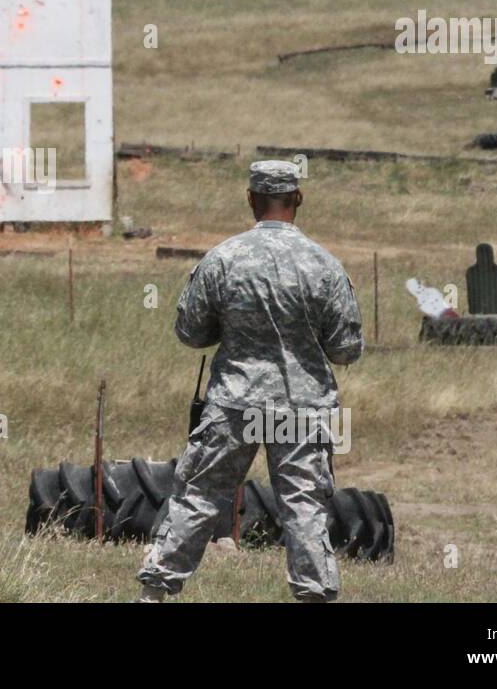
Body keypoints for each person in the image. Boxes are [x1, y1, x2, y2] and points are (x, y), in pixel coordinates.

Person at [137, 160, 363, 601]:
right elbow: (346, 349)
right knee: (303, 507)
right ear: (298, 199)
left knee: (199, 497)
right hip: (301, 410)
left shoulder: (224, 258)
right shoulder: (325, 265)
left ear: (251, 200)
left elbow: (190, 333)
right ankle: (314, 595)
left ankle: (154, 593)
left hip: (233, 403)